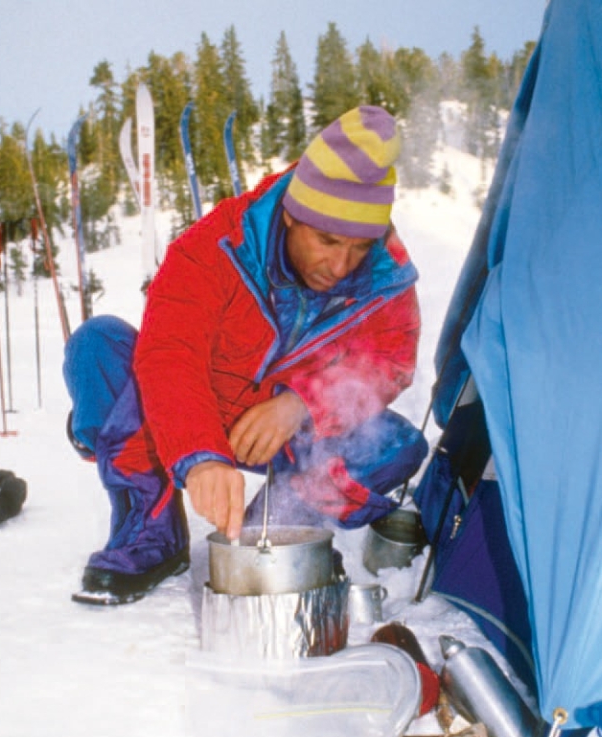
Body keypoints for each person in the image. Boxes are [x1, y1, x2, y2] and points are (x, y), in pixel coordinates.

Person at [63, 105, 428, 604]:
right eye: (327, 240)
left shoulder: (384, 277)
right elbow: (171, 353)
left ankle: (274, 532)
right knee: (98, 344)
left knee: (395, 442)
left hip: (288, 433)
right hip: (200, 412)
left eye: (360, 248)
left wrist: (302, 402)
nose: (341, 265)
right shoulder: (217, 246)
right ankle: (151, 532)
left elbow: (391, 362)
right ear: (292, 214)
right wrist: (201, 457)